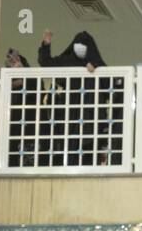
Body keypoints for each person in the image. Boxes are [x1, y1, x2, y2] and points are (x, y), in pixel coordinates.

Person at [36, 29, 114, 166]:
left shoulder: (97, 65)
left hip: (91, 117)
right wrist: (46, 44)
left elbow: (110, 87)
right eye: (77, 44)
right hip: (69, 115)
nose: (80, 47)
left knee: (88, 153)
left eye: (83, 44)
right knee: (68, 149)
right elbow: (46, 63)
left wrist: (96, 69)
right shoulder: (67, 61)